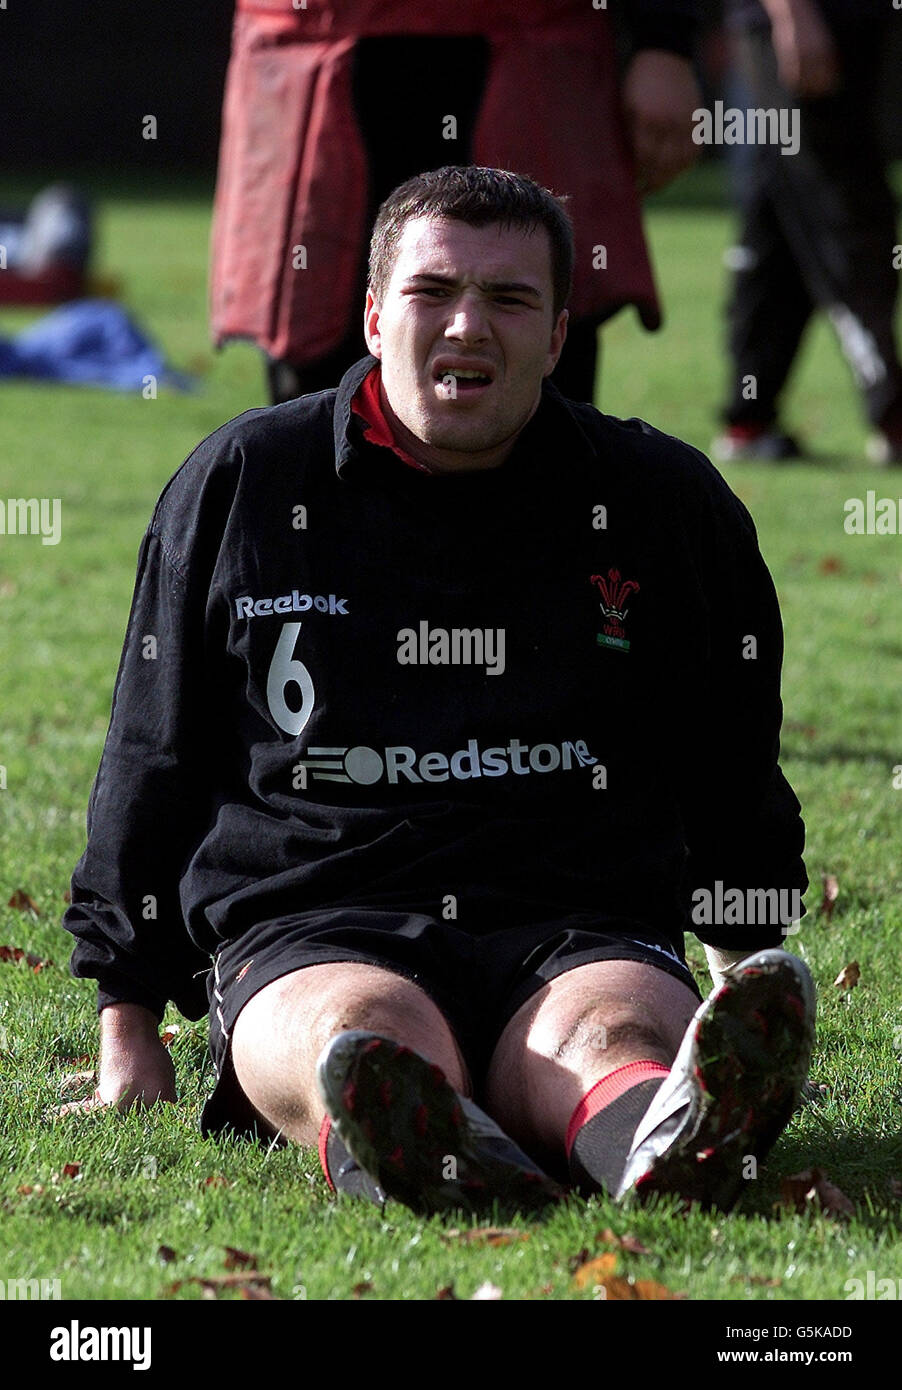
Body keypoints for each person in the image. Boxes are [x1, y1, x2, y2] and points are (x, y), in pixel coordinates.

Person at [64, 166, 814, 1216]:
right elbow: (152, 754)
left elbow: (730, 761)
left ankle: (665, 1133)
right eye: (432, 293)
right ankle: (413, 1134)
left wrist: (745, 981)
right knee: (366, 1028)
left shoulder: (657, 501)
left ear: (556, 336)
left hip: (575, 915)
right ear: (374, 315)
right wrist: (127, 1028)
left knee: (608, 1035)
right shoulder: (248, 480)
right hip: (314, 917)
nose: (467, 327)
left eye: (509, 300)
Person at [209, 0, 702, 406]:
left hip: (524, 48)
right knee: (317, 368)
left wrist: (665, 41)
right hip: (319, 47)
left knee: (531, 340)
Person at [712, 0, 902, 464]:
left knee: (782, 208)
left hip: (848, 24)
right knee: (846, 209)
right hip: (808, 22)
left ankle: (749, 418)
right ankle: (893, 413)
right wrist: (792, 11)